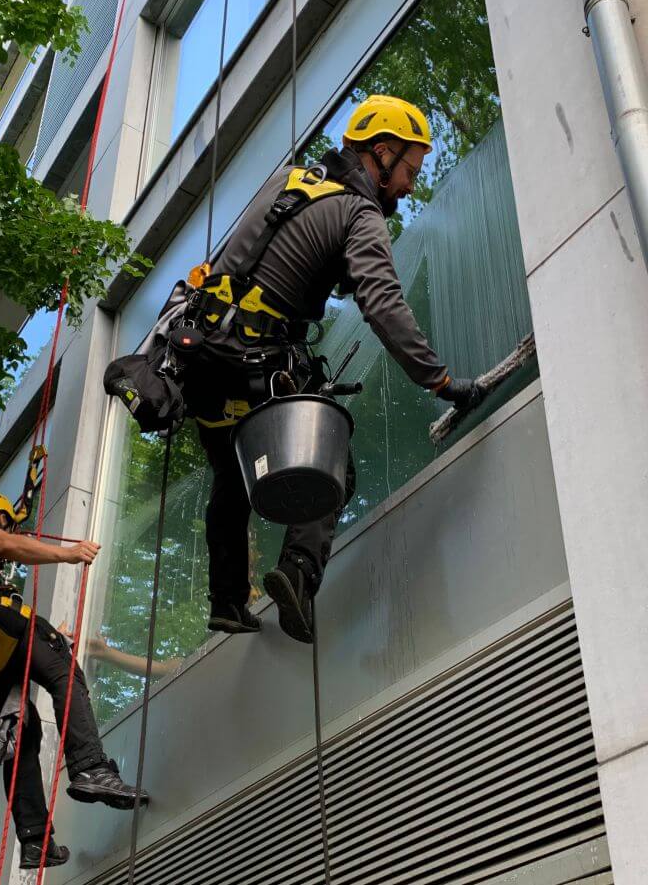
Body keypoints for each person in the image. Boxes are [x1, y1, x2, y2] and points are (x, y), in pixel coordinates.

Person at [181, 95, 484, 645]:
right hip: (259, 361)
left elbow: (242, 262)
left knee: (232, 476)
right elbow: (384, 305)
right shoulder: (359, 211)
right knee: (331, 464)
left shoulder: (288, 182)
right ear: (382, 152)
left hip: (203, 360)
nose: (411, 186)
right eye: (411, 170)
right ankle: (298, 574)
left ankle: (226, 601)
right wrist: (439, 380)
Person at [0, 489, 148, 870]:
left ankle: (34, 839)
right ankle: (91, 767)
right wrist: (69, 553)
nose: (9, 530)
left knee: (22, 729)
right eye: (8, 522)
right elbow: (3, 543)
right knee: (64, 670)